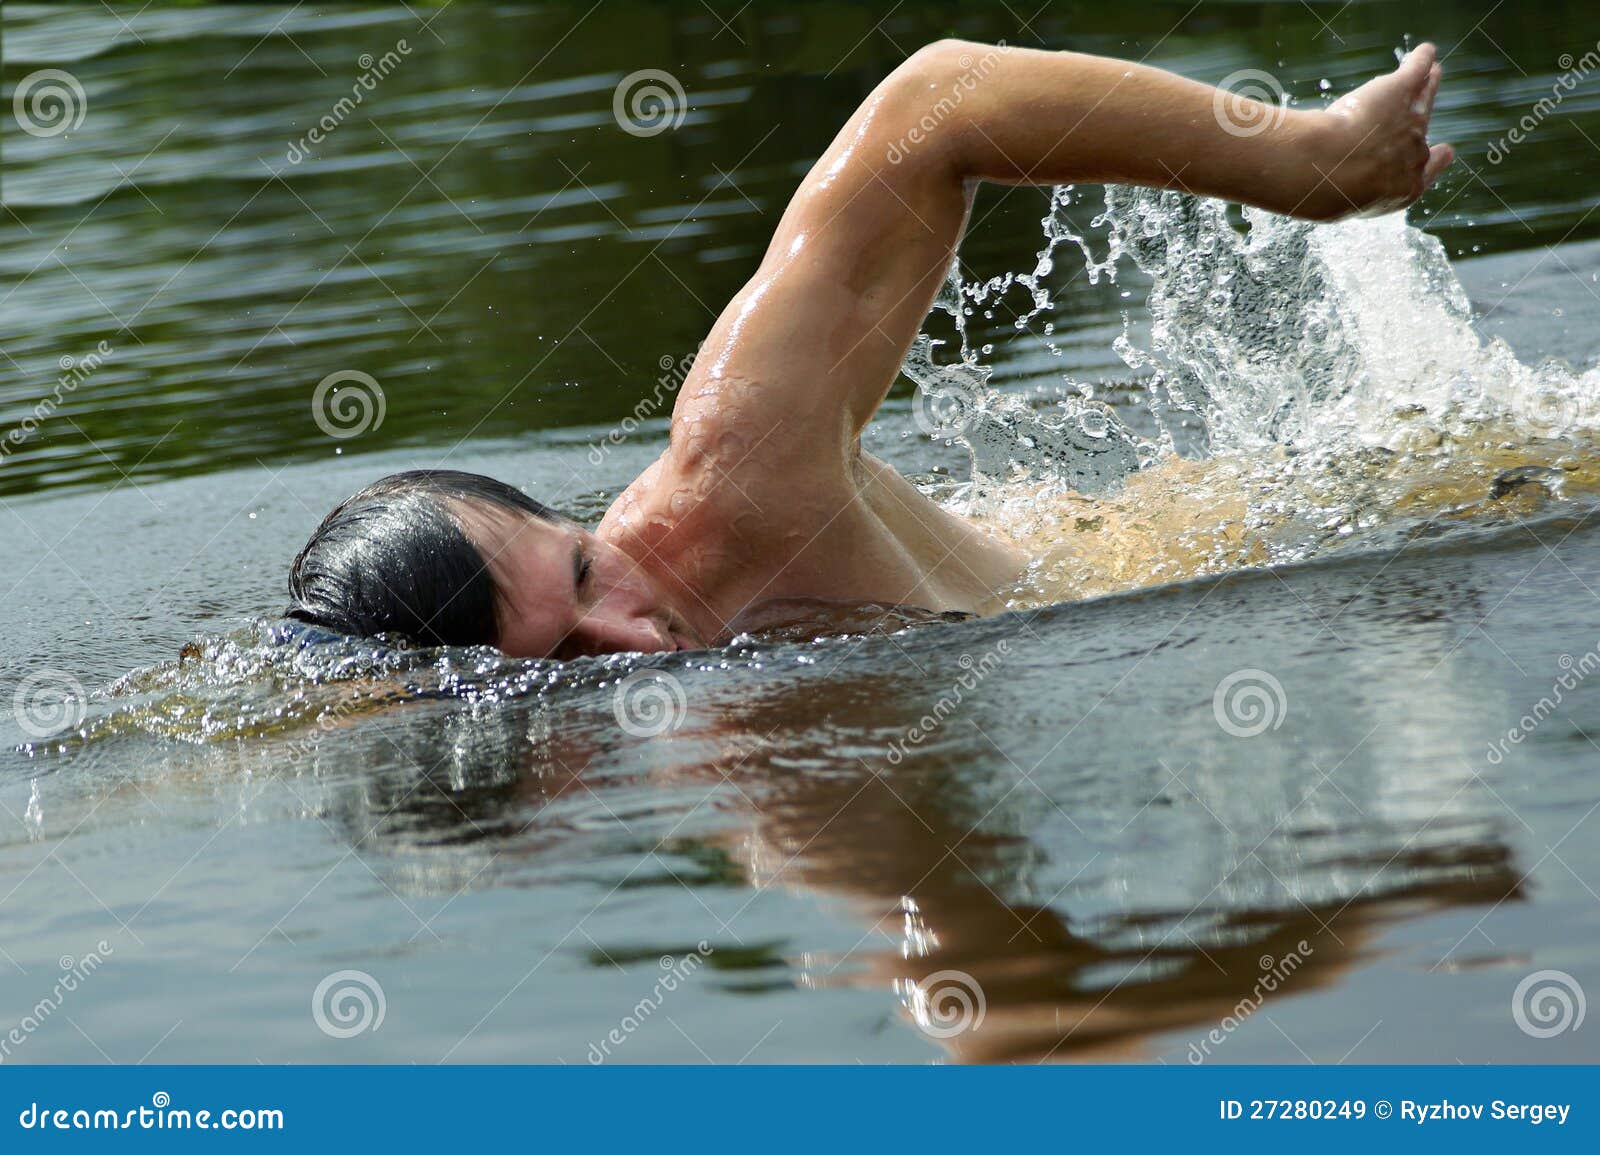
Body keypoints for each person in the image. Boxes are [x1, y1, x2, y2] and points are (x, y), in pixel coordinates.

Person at [287, 39, 1453, 659]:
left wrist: (1311, 167)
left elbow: (934, 102)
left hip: (1372, 511)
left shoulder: (734, 477)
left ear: (570, 523)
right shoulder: (718, 773)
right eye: (570, 663)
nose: (638, 638)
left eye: (589, 576)